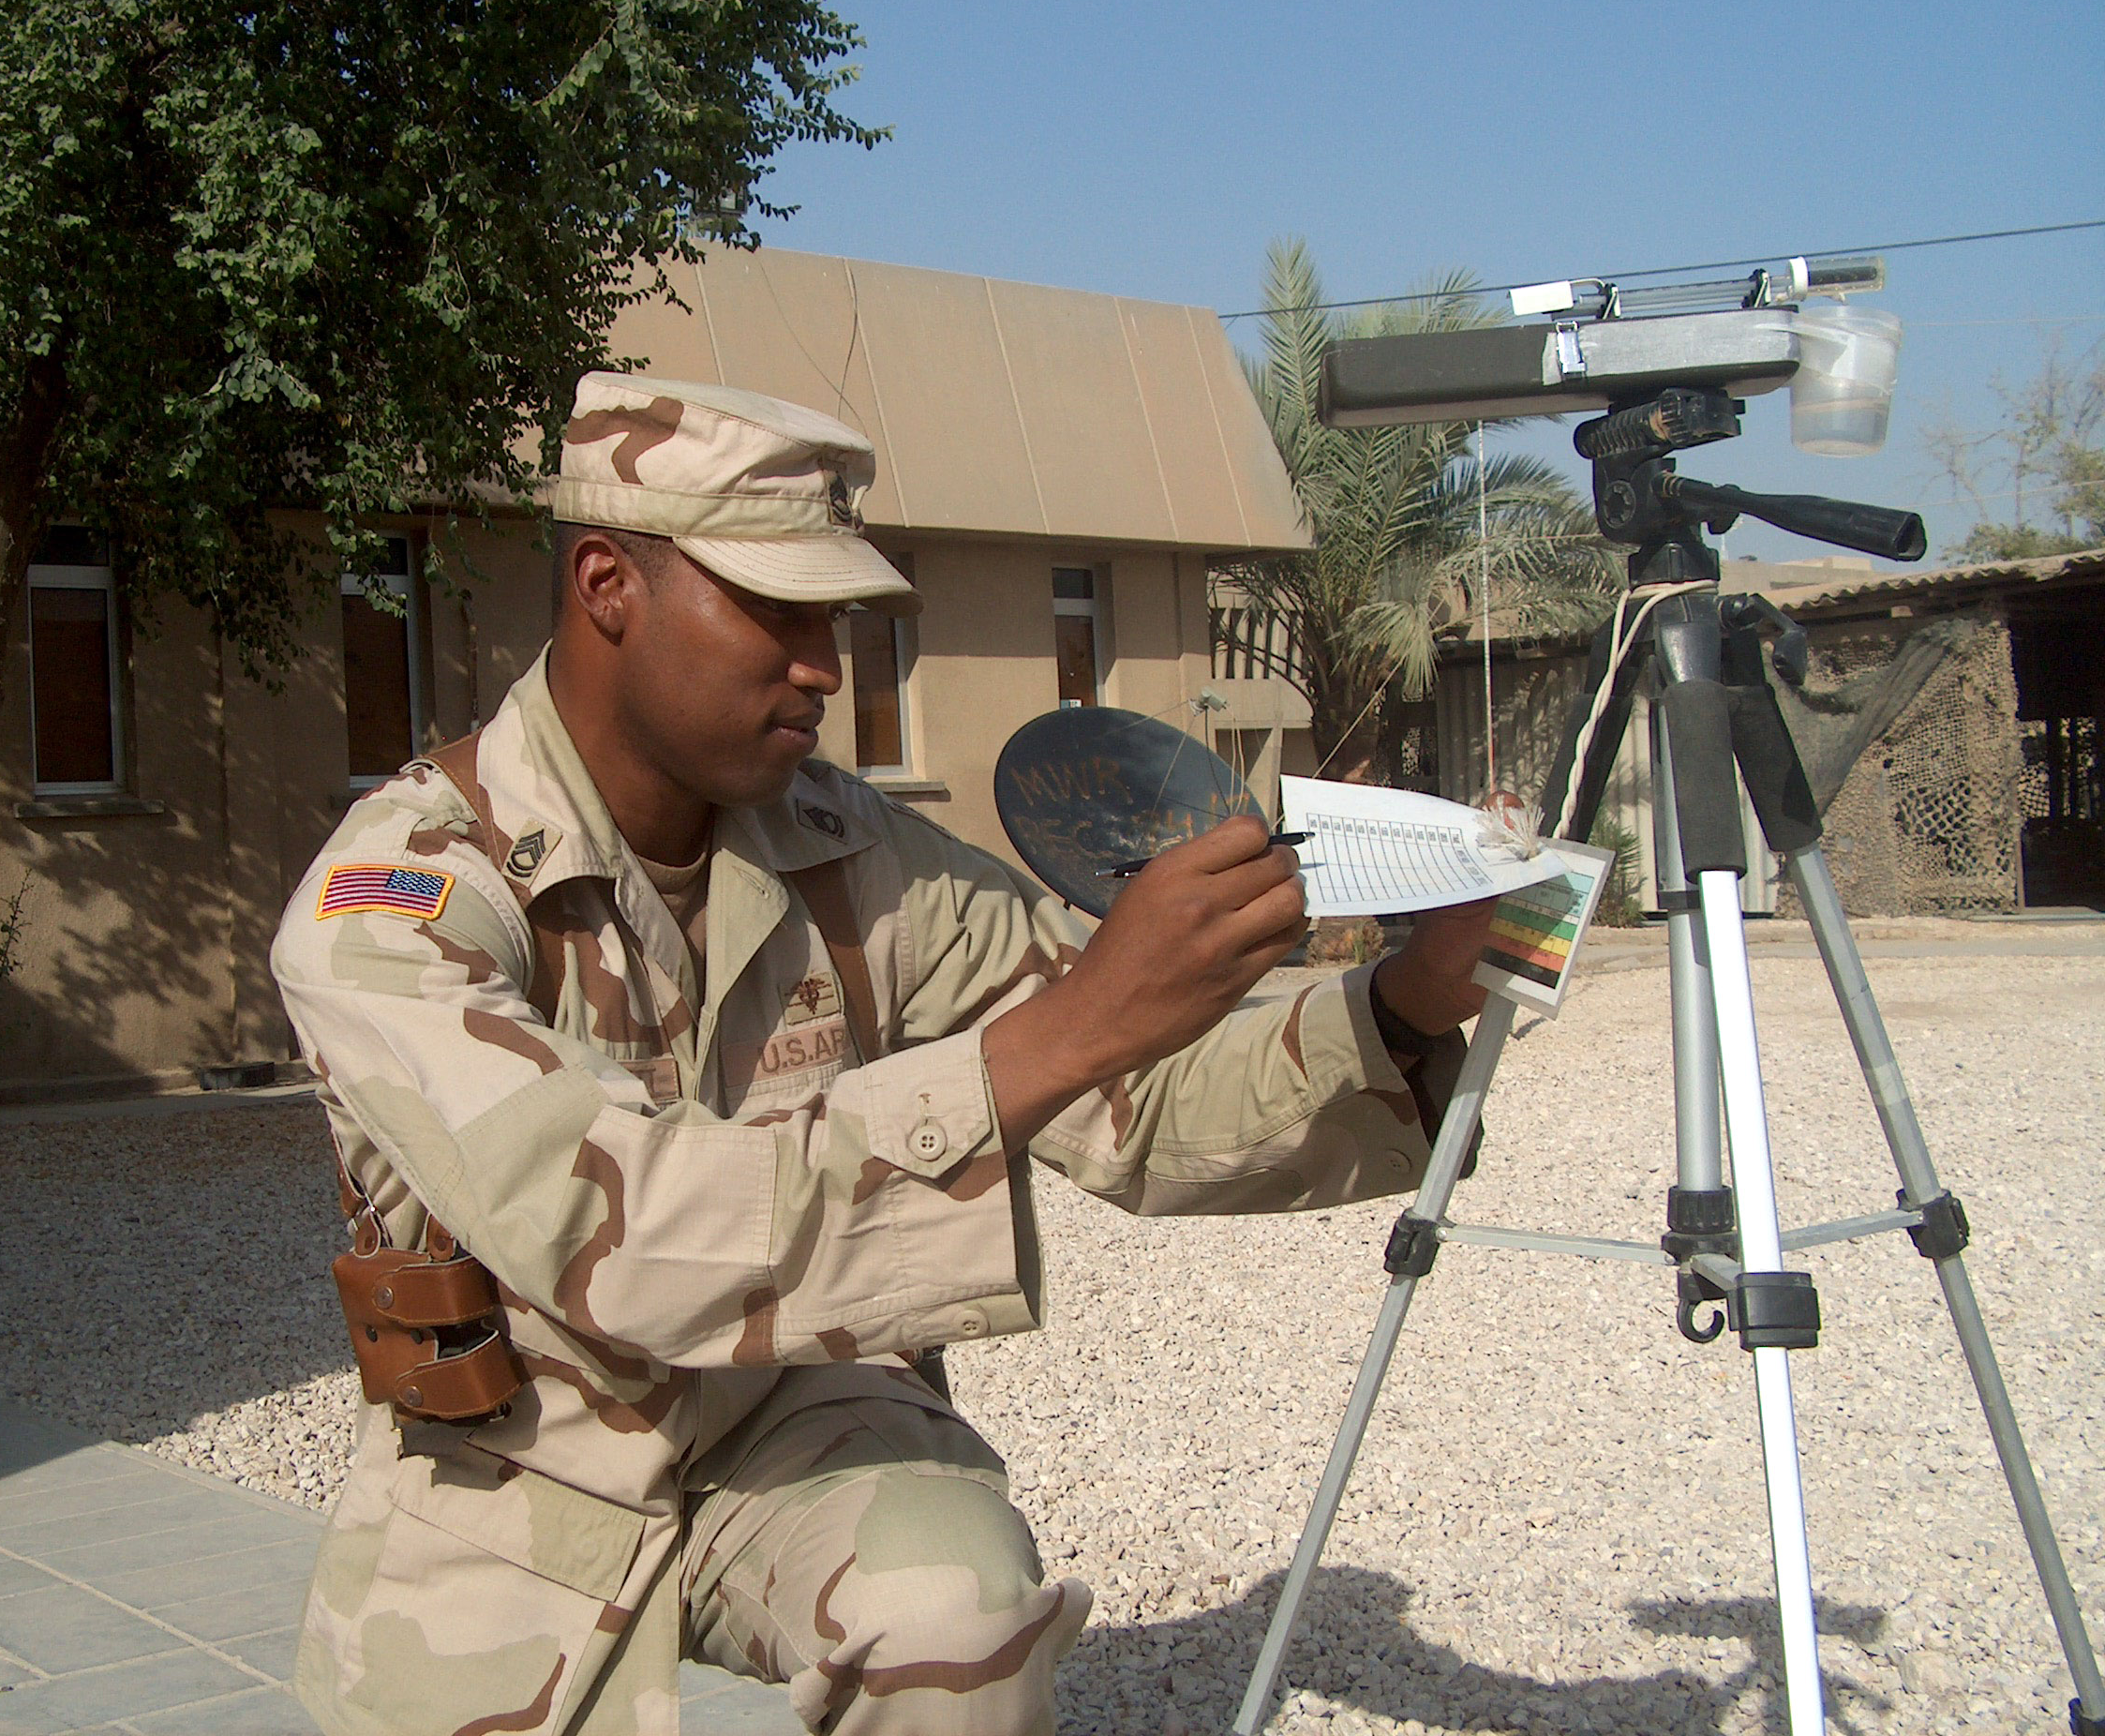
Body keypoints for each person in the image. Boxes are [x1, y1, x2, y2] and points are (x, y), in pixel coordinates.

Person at [270, 373, 1497, 1736]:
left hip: (798, 1410)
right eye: (778, 610)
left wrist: (1405, 1005)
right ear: (607, 583)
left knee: (955, 1614)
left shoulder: (853, 850)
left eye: (836, 618)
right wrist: (1074, 1023)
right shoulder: (399, 900)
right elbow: (623, 1232)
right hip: (523, 1464)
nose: (825, 666)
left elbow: (1133, 1101)